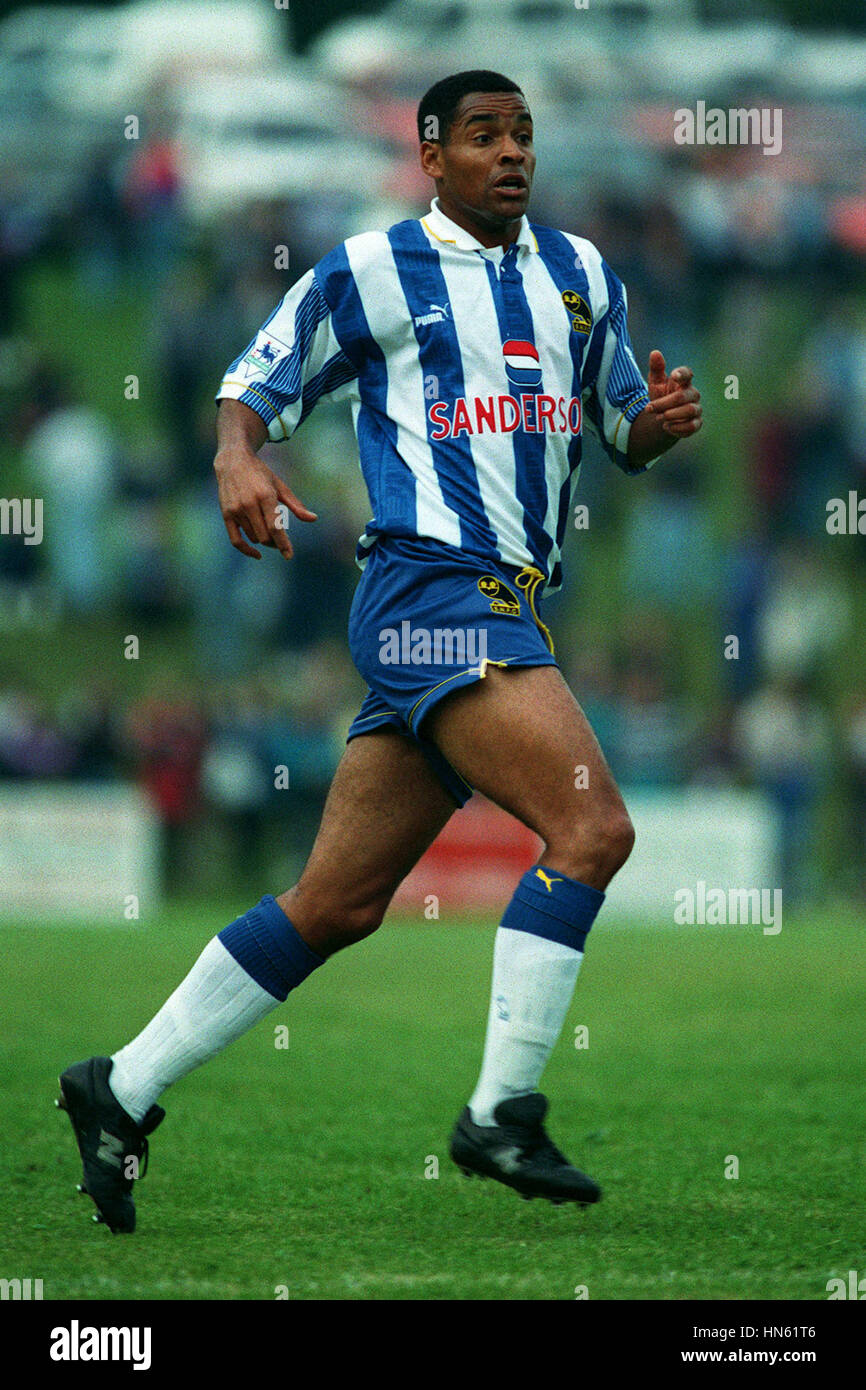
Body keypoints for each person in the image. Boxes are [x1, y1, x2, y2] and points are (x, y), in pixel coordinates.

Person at [57, 71, 702, 1232]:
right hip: (428, 589)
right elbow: (254, 381)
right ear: (430, 154)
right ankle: (501, 1109)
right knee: (592, 828)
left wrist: (646, 428)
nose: (510, 153)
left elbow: (615, 428)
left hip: (503, 602)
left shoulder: (581, 277)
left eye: (523, 134)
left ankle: (121, 1086)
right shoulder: (368, 271)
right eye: (481, 135)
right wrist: (237, 456)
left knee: (338, 902)